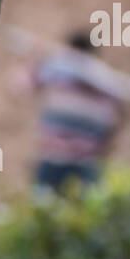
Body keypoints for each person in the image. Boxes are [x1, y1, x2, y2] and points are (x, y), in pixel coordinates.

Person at [32, 31, 127, 192]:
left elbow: (119, 113)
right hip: (55, 157)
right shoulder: (58, 72)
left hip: (85, 161)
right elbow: (25, 84)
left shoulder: (102, 79)